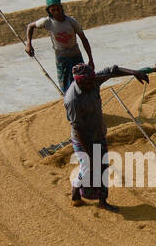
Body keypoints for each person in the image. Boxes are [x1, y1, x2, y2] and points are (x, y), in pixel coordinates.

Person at [63, 63, 149, 212]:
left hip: (98, 133)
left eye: (93, 81)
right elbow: (78, 128)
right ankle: (76, 188)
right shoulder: (72, 100)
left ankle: (102, 201)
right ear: (79, 82)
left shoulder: (93, 80)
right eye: (89, 83)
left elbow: (113, 70)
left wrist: (135, 72)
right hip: (83, 139)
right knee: (88, 169)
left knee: (102, 166)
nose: (93, 85)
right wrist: (90, 153)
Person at [25, 0, 93, 92]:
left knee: (82, 81)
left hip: (75, 54)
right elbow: (30, 26)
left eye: (58, 9)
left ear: (62, 8)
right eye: (53, 10)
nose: (56, 12)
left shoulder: (71, 21)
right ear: (49, 11)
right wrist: (28, 44)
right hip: (61, 57)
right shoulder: (47, 22)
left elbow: (84, 39)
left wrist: (90, 59)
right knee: (65, 84)